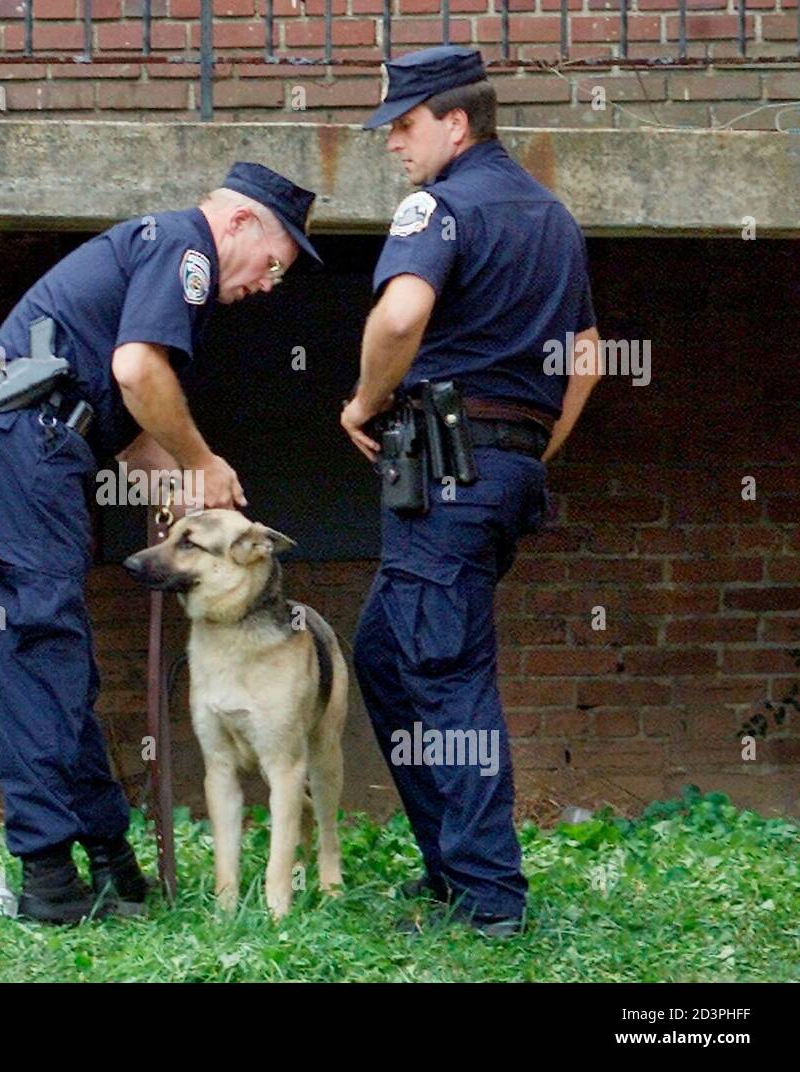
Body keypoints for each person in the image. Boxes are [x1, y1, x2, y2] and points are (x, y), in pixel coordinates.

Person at [0, 163, 321, 924]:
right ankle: (49, 880)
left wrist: (179, 490)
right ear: (240, 222)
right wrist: (201, 462)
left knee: (57, 654)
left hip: (31, 442)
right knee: (33, 654)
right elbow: (138, 371)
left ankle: (112, 864)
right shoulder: (185, 248)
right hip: (14, 442)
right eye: (274, 262)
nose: (269, 283)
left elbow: (123, 422)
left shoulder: (158, 254)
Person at [340, 45, 602, 938]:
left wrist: (362, 403)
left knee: (447, 675)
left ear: (456, 123)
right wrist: (526, 450)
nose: (393, 143)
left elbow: (402, 314)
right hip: (501, 468)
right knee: (386, 654)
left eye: (405, 125)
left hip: (448, 472)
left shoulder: (438, 207)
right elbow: (587, 359)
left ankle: (490, 901)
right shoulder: (552, 215)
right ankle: (453, 866)